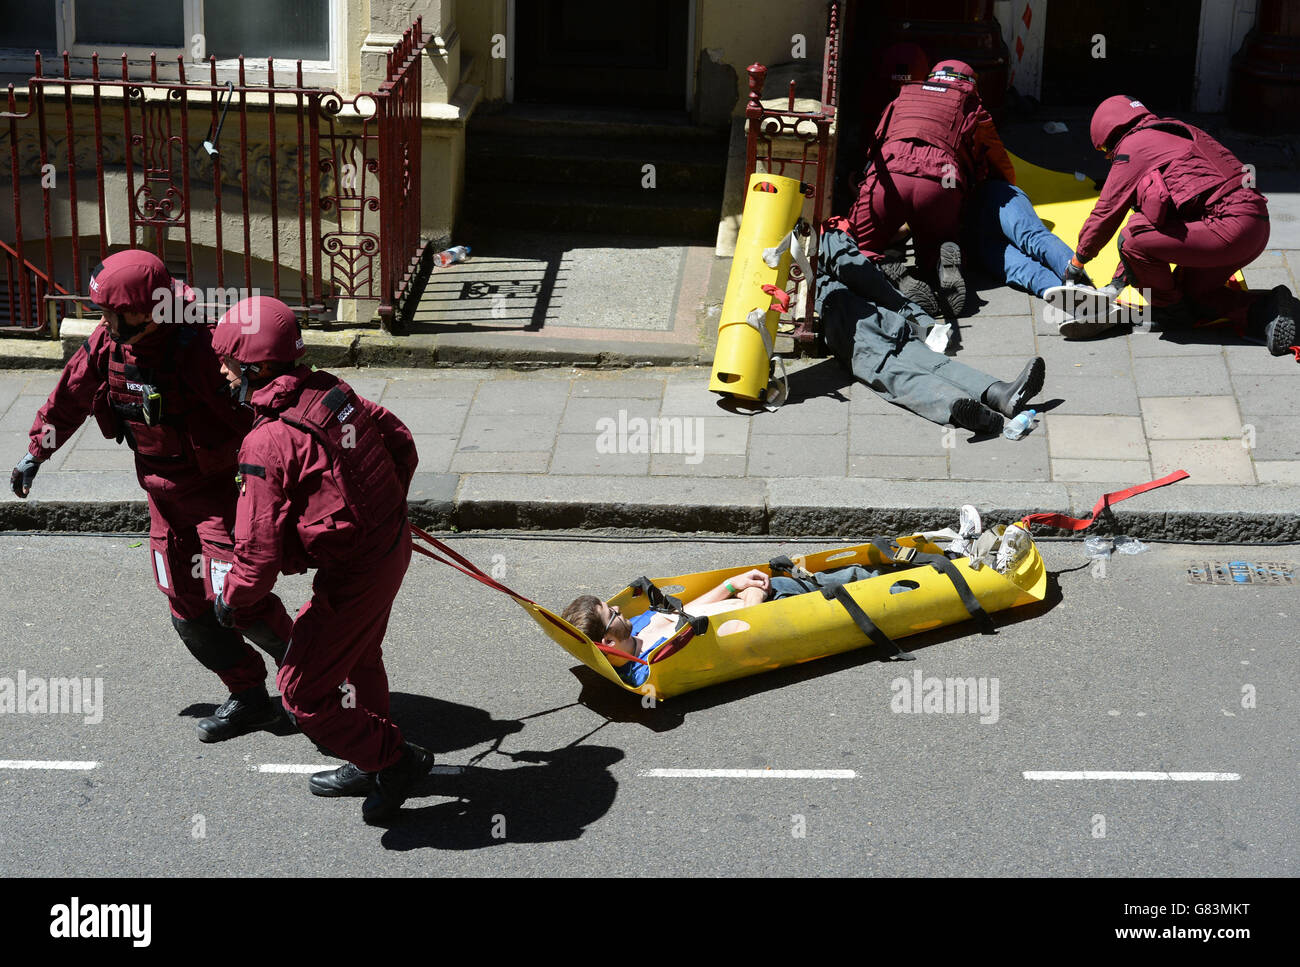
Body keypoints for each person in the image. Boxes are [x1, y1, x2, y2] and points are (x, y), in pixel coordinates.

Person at [8, 249, 292, 742]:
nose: (107, 321)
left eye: (117, 311)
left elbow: (263, 413)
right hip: (162, 498)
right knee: (185, 605)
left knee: (238, 600)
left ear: (154, 307)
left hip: (216, 497)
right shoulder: (108, 345)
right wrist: (37, 453)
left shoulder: (200, 350)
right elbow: (69, 398)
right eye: (104, 312)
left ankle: (313, 692)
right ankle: (250, 698)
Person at [209, 295, 427, 825]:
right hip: (388, 546)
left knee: (301, 692)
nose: (221, 368)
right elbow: (399, 441)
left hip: (357, 572)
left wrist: (229, 600)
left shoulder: (266, 442)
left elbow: (256, 557)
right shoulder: (331, 390)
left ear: (255, 367)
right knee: (358, 656)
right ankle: (368, 756)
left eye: (228, 361)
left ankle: (395, 761)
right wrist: (383, 508)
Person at [1068, 94, 1299, 352]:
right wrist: (1117, 282)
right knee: (1194, 294)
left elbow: (1107, 212)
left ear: (1109, 135)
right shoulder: (1175, 131)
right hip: (1255, 226)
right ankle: (1269, 311)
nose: (1108, 158)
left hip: (1228, 228)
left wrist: (1077, 263)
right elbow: (1166, 219)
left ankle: (1168, 311)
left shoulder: (1134, 146)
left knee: (1132, 236)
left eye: (1104, 152)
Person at [818, 218, 1045, 435]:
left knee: (891, 369)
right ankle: (991, 396)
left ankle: (978, 399)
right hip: (872, 314)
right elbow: (867, 278)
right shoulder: (825, 235)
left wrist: (917, 317)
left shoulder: (820, 238)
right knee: (923, 362)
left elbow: (863, 276)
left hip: (852, 318)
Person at [848, 60, 1016, 317]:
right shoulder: (972, 107)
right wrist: (1009, 192)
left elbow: (874, 145)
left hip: (889, 178)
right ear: (970, 84)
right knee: (938, 237)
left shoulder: (903, 96)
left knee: (861, 247)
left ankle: (889, 271)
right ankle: (937, 262)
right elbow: (999, 161)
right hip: (941, 184)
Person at [562, 564, 906, 687]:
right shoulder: (652, 665)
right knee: (856, 583)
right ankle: (949, 568)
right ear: (607, 640)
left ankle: (938, 559)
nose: (620, 608)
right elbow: (734, 641)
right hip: (776, 615)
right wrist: (751, 601)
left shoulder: (636, 629)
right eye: (612, 613)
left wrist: (733, 585)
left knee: (848, 574)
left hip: (756, 602)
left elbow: (688, 611)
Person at [966, 179, 1116, 339]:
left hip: (991, 195)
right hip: (971, 235)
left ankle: (1085, 289)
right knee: (1023, 270)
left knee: (1032, 238)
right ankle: (1086, 306)